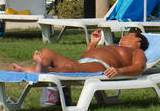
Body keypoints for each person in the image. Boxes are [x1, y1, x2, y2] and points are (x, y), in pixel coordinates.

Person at [11, 29, 149, 80]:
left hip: (101, 67)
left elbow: (139, 68)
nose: (124, 37)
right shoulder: (113, 47)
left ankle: (41, 70)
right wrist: (92, 44)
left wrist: (118, 71)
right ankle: (39, 68)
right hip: (83, 62)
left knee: (70, 69)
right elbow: (87, 55)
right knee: (47, 52)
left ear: (137, 39)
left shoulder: (138, 51)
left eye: (129, 35)